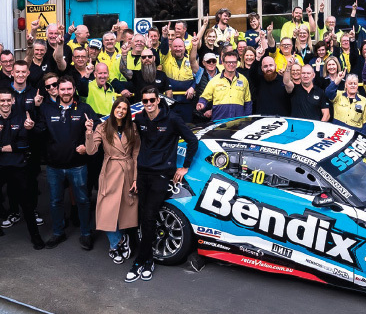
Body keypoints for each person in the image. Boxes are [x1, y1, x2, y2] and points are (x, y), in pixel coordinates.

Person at [128, 87, 198, 282]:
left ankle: (141, 260)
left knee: (149, 215)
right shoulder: (140, 119)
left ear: (158, 100)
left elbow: (193, 141)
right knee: (143, 216)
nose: (149, 104)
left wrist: (185, 167)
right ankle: (147, 259)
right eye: (145, 101)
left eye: (152, 100)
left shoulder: (173, 118)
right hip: (143, 173)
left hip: (161, 174)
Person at [0, 83, 44, 249]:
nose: (5, 103)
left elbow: (24, 144)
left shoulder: (21, 117)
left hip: (17, 166)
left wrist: (4, 147)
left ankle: (36, 237)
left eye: (8, 100)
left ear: (13, 101)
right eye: (2, 100)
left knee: (27, 204)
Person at [34, 77, 98, 250]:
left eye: (69, 89)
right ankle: (58, 233)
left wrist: (87, 144)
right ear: (58, 91)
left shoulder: (84, 108)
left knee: (83, 200)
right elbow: (39, 130)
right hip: (54, 166)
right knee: (55, 201)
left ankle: (86, 234)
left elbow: (98, 130)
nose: (66, 92)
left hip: (78, 166)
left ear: (74, 89)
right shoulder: (46, 109)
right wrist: (31, 122)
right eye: (62, 89)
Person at [87, 99, 140, 265]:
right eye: (119, 107)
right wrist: (89, 132)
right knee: (106, 212)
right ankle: (117, 242)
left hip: (128, 171)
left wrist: (136, 178)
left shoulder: (133, 128)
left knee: (124, 210)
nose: (121, 111)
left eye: (124, 109)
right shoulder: (102, 127)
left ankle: (117, 245)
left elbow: (136, 154)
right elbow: (91, 150)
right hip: (110, 172)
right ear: (113, 108)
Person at [197, 50, 253, 121]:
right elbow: (205, 97)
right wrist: (201, 103)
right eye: (228, 62)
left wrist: (247, 120)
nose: (231, 64)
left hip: (238, 123)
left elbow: (248, 103)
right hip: (219, 122)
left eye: (234, 62)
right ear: (223, 63)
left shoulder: (244, 80)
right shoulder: (214, 80)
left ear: (237, 63)